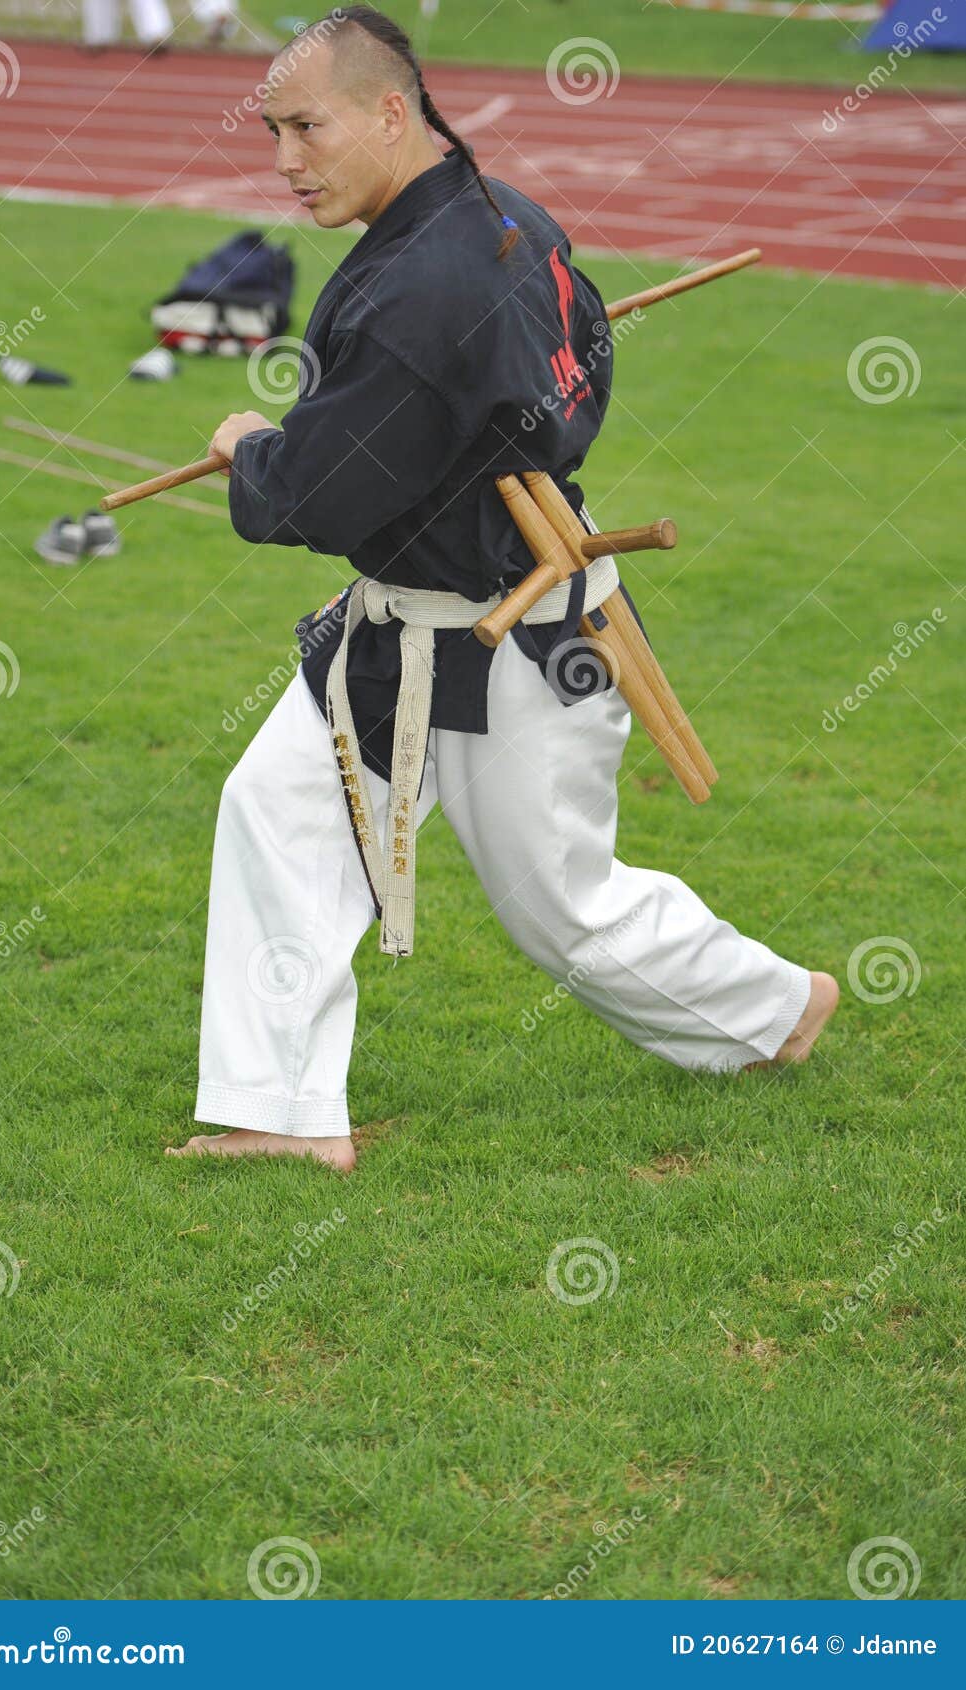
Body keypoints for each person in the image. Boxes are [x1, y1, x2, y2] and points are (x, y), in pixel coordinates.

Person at [166, 5, 838, 1172]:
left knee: (561, 906)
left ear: (391, 111)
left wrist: (253, 449)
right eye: (272, 130)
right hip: (407, 626)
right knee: (276, 806)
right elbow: (582, 375)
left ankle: (775, 1008)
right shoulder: (508, 218)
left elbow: (322, 499)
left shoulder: (428, 289)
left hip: (521, 630)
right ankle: (278, 1113)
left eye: (307, 127)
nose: (285, 162)